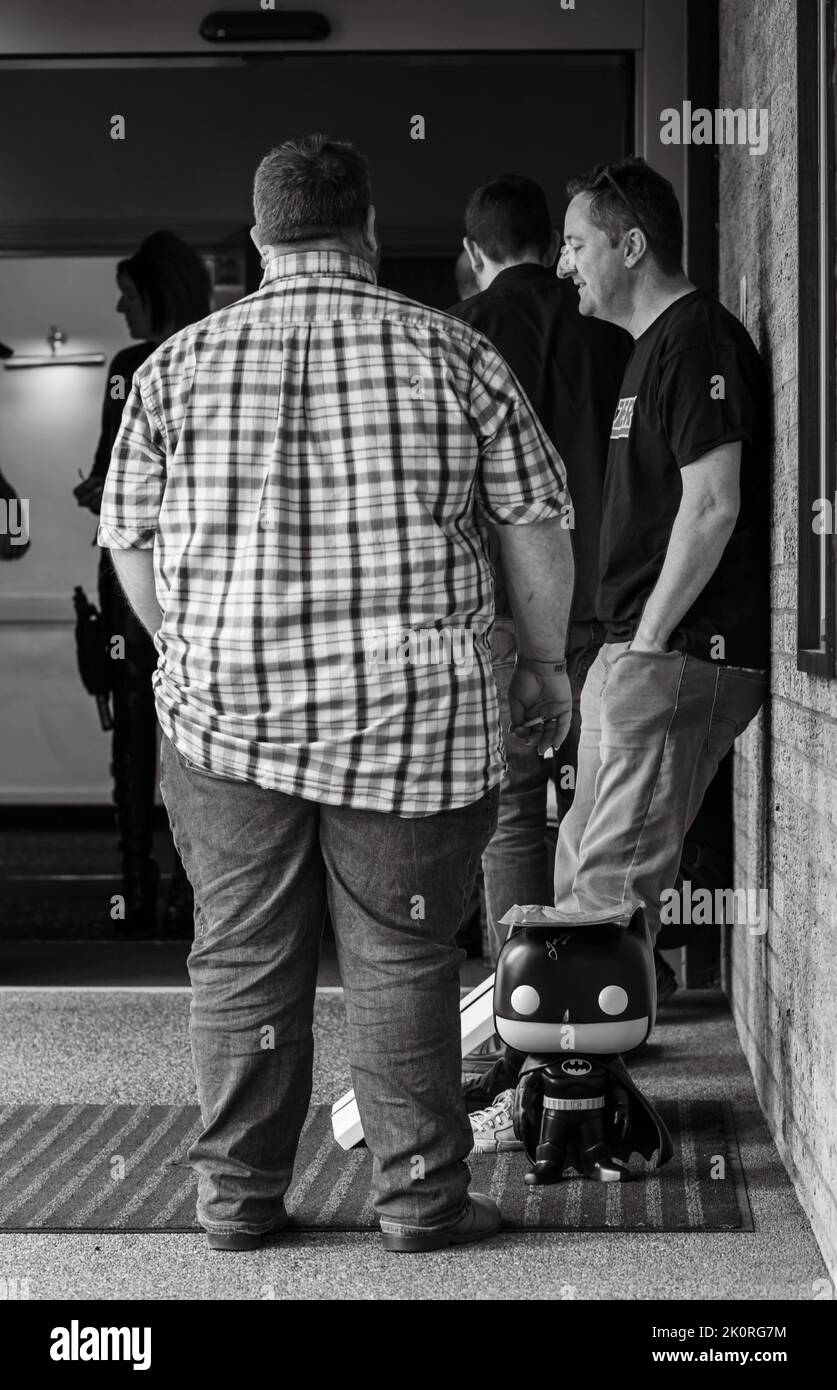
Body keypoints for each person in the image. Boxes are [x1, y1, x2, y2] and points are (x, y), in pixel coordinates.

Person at [97, 134, 576, 1253]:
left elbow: (128, 539)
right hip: (411, 720)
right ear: (365, 231)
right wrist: (545, 664)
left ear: (259, 240)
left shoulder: (177, 365)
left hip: (227, 723)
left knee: (241, 951)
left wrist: (188, 646)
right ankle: (419, 1200)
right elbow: (534, 528)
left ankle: (238, 1202)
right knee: (405, 952)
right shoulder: (453, 354)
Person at [475, 156, 769, 1141]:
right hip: (636, 657)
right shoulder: (642, 350)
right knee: (580, 879)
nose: (563, 265)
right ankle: (554, 1080)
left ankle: (571, 1117)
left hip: (677, 653)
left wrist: (643, 645)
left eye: (577, 243)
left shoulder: (699, 338)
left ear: (631, 245)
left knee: (600, 898)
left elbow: (715, 502)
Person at [447, 175, 631, 1112]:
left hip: (514, 609)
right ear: (542, 242)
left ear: (476, 249)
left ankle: (522, 1018)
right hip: (620, 595)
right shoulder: (612, 319)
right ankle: (607, 1012)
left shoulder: (463, 331)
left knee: (514, 812)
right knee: (604, 808)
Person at [74, 232, 211, 936]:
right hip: (206, 581)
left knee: (133, 732)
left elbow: (114, 488)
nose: (122, 308)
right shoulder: (215, 357)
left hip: (137, 582)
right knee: (199, 733)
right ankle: (196, 889)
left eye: (129, 294)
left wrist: (94, 490)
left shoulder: (135, 366)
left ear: (153, 292)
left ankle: (135, 878)